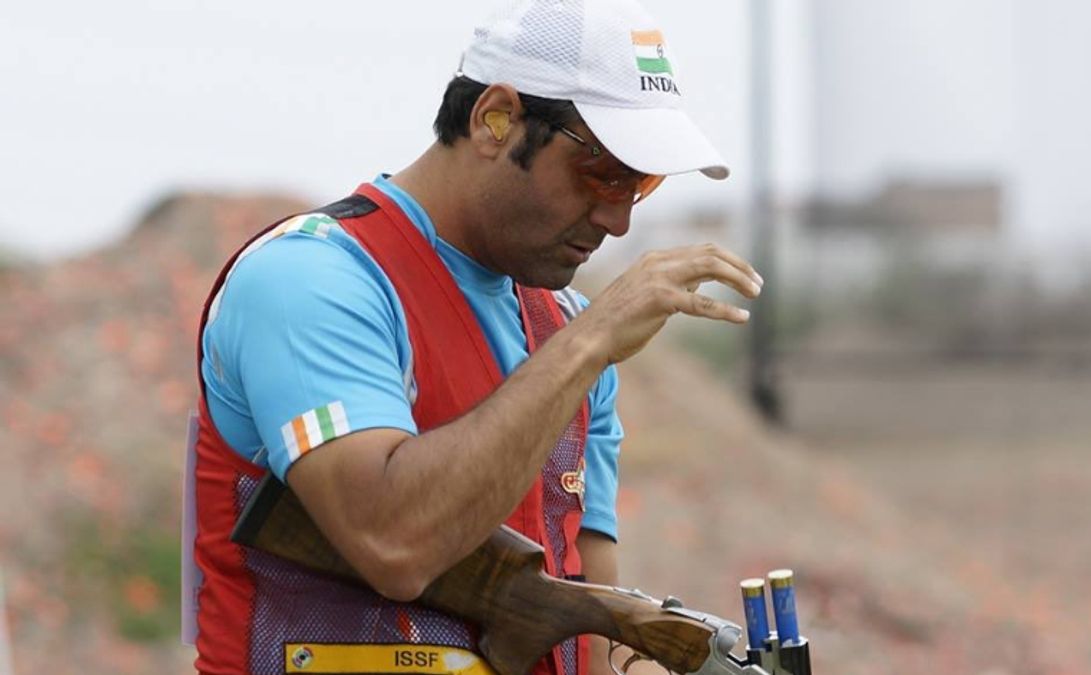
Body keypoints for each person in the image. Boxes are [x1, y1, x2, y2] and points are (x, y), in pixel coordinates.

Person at [187, 0, 763, 673]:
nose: (617, 218)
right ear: (496, 119)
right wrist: (586, 345)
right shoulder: (308, 278)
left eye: (641, 183)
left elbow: (586, 615)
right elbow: (393, 543)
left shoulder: (570, 327)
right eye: (604, 172)